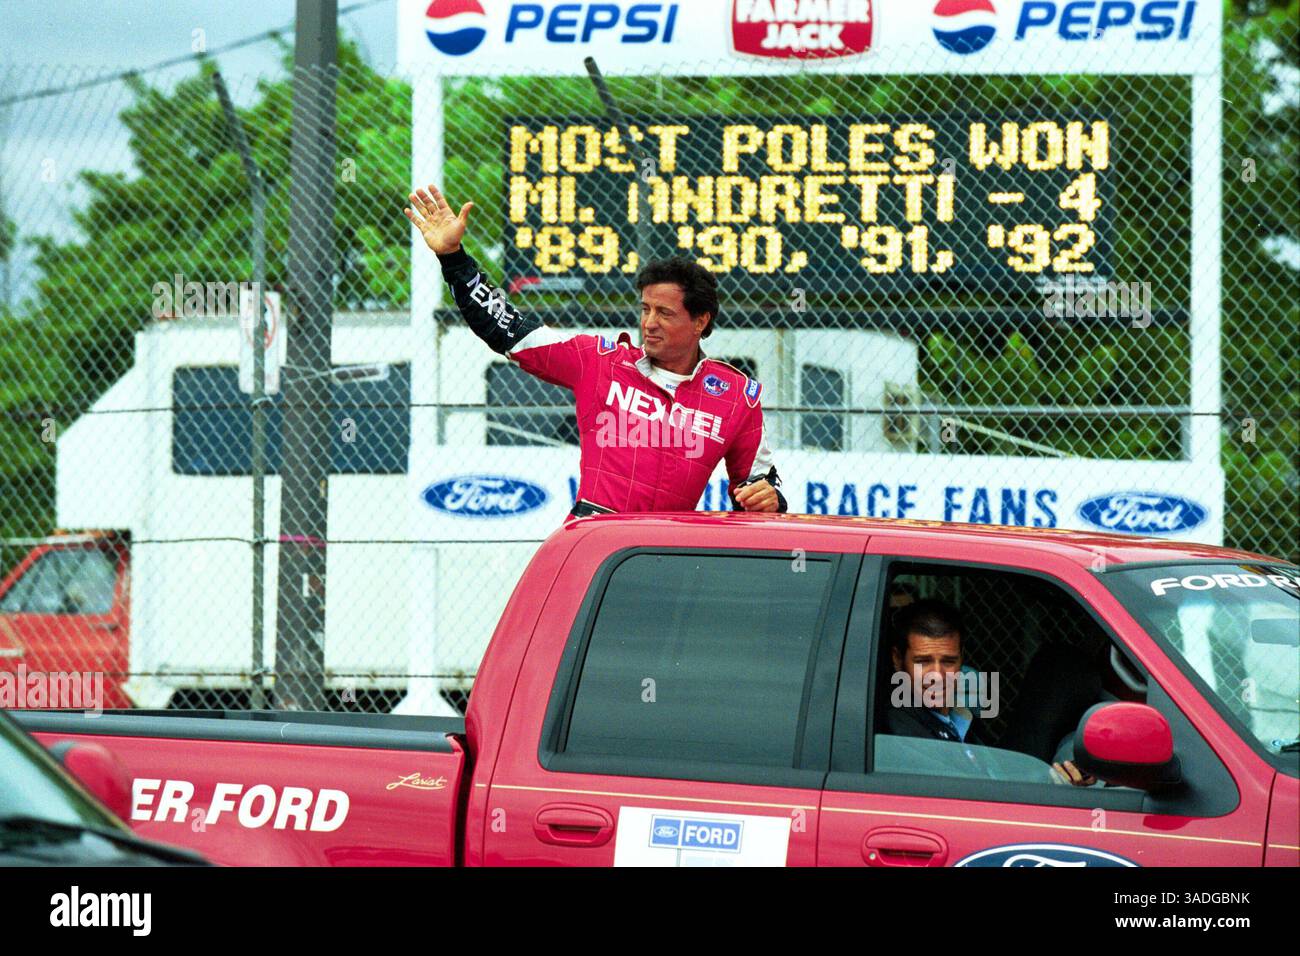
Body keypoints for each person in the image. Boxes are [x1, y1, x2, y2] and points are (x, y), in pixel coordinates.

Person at [404, 184, 787, 517]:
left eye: (665, 313)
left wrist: (766, 497)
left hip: (672, 552)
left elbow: (757, 484)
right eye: (645, 309)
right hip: (597, 539)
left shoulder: (737, 394)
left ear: (700, 321)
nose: (649, 322)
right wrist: (453, 258)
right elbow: (510, 330)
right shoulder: (599, 360)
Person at [886, 599, 989, 744]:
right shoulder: (901, 733)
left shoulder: (964, 717)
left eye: (948, 661)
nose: (937, 676)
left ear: (961, 658)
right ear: (897, 659)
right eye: (923, 662)